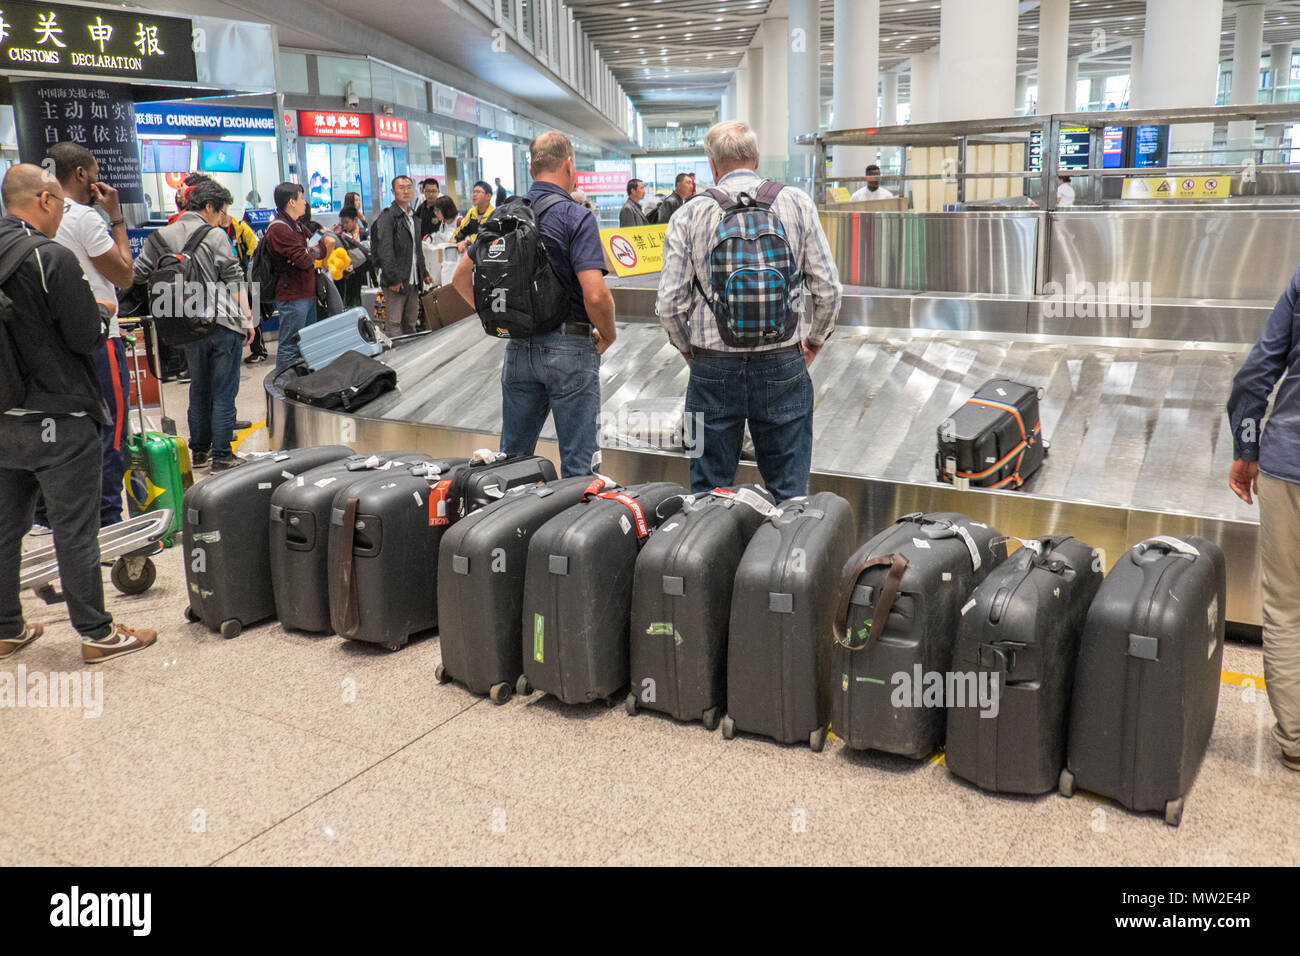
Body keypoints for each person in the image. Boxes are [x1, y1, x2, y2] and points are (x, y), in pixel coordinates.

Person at [0, 164, 158, 663]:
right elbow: (85, 336)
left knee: (6, 528)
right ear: (45, 199)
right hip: (60, 416)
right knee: (75, 528)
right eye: (62, 206)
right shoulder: (50, 258)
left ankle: (6, 628)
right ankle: (97, 633)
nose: (62, 214)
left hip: (5, 417)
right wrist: (102, 312)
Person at [656, 120, 842, 502]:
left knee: (707, 495)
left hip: (712, 371)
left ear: (712, 164)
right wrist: (813, 342)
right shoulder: (796, 203)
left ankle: (709, 557)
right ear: (756, 159)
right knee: (790, 494)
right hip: (784, 364)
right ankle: (786, 556)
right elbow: (828, 290)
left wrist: (691, 352)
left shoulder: (690, 214)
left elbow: (669, 305)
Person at [452, 131, 615, 478]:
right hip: (570, 348)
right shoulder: (576, 216)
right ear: (569, 165)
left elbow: (461, 278)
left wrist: (498, 315)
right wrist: (609, 333)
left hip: (518, 348)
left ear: (531, 167)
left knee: (510, 462)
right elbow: (596, 293)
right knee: (579, 466)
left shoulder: (504, 214)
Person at [1228, 267, 1300, 774]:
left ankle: (1294, 739)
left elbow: (1256, 375)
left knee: (1286, 606)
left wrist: (1247, 448)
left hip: (1286, 465)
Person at [133, 180, 254, 472]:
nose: (224, 219)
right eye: (222, 212)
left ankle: (199, 452)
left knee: (198, 388)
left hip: (185, 324)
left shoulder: (159, 235)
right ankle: (223, 454)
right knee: (224, 391)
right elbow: (234, 278)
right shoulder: (215, 236)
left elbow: (137, 274)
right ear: (209, 207)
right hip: (222, 322)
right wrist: (249, 320)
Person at [45, 142, 135, 529]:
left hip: (54, 343)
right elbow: (125, 275)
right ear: (82, 174)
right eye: (94, 171)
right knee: (110, 431)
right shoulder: (83, 218)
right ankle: (108, 522)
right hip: (100, 338)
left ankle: (64, 521)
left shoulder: (36, 220)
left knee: (68, 433)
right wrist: (115, 217)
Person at [265, 182, 335, 374]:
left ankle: (304, 383)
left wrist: (312, 250)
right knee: (291, 345)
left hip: (306, 293)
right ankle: (284, 385)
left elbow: (316, 248)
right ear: (292, 202)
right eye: (302, 198)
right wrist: (316, 250)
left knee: (307, 341)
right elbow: (305, 259)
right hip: (293, 296)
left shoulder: (296, 226)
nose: (305, 202)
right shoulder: (279, 229)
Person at [370, 175, 429, 336]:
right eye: (401, 188)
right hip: (396, 280)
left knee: (411, 323)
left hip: (413, 279)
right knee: (394, 324)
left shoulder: (414, 217)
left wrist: (424, 273)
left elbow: (417, 249)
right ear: (393, 191)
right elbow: (385, 250)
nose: (406, 191)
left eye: (409, 187)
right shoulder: (388, 217)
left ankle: (411, 358)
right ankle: (396, 359)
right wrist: (392, 278)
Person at [334, 206, 369, 310]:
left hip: (362, 275)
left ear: (355, 220)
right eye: (342, 223)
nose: (344, 225)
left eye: (347, 222)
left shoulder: (364, 234)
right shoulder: (341, 236)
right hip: (347, 278)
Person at [453, 180, 495, 252]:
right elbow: (462, 229)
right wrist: (454, 239)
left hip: (487, 251)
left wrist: (467, 242)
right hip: (473, 250)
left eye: (478, 192)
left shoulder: (493, 214)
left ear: (488, 196)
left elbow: (484, 235)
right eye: (474, 192)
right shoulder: (472, 212)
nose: (474, 194)